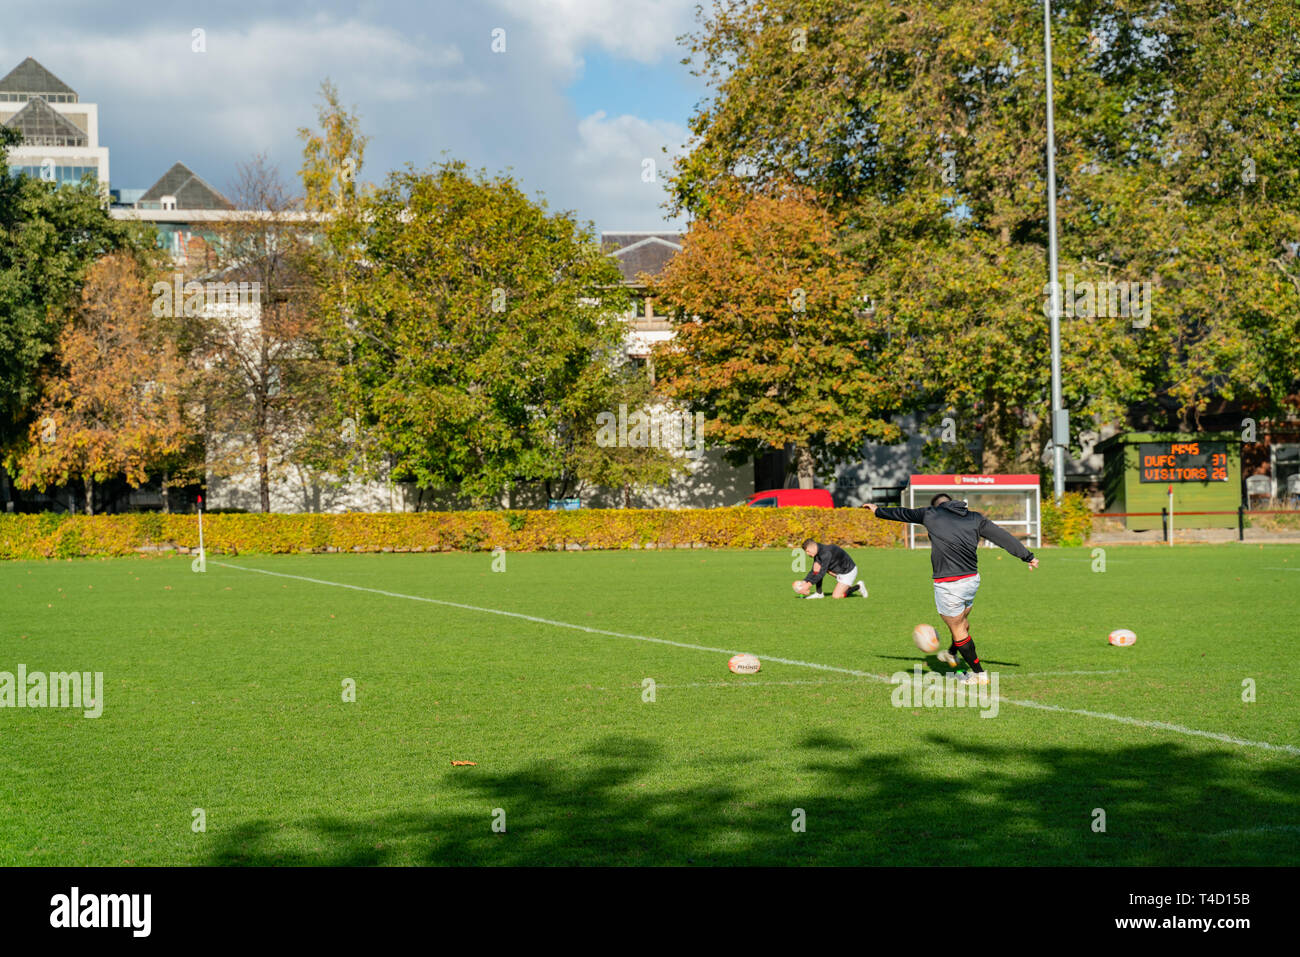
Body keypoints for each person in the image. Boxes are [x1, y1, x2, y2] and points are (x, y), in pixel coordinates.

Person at [862, 494, 1037, 684]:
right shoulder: (975, 517)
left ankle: (978, 674)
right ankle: (952, 653)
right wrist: (1027, 556)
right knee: (962, 622)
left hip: (949, 583)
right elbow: (1001, 536)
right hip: (971, 580)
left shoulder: (931, 514)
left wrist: (878, 510)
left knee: (958, 628)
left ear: (936, 506)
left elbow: (904, 513)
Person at [792, 538, 868, 600]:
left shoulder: (825, 553)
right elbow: (814, 570)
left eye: (807, 551)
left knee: (836, 596)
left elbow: (822, 573)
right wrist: (805, 581)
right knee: (817, 567)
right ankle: (819, 593)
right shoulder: (818, 551)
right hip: (838, 571)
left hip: (848, 572)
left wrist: (808, 585)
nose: (807, 554)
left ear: (812, 547)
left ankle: (858, 586)